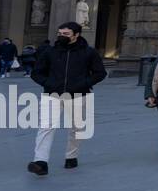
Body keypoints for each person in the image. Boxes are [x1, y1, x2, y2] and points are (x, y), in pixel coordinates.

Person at [27, 22, 107, 176]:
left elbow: (100, 73)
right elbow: (36, 72)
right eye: (60, 33)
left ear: (76, 35)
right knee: (46, 127)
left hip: (79, 95)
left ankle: (71, 156)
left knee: (76, 128)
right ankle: (40, 162)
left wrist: (83, 84)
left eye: (66, 34)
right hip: (52, 94)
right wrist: (48, 83)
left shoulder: (89, 52)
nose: (61, 36)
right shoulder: (50, 52)